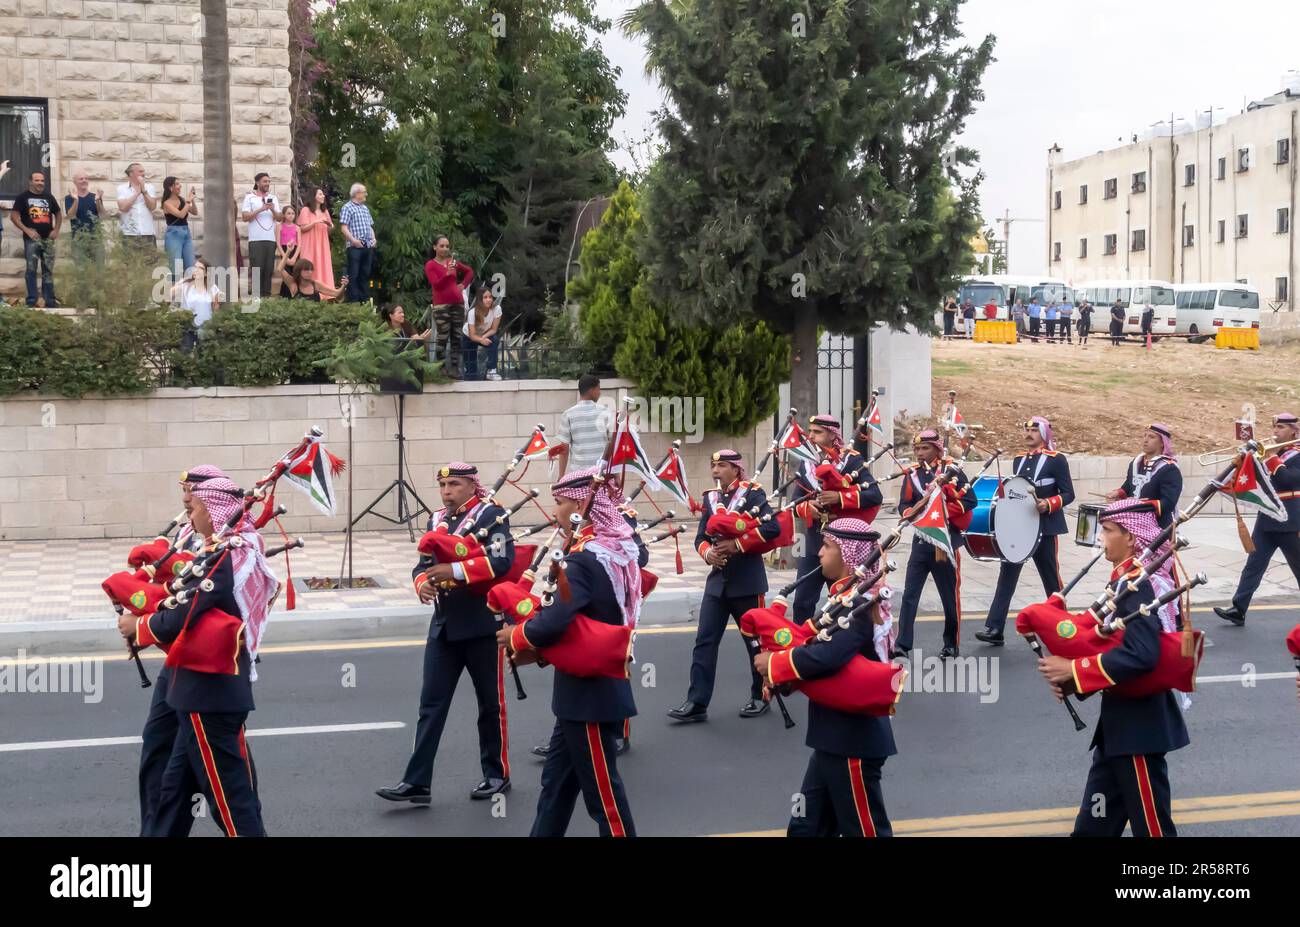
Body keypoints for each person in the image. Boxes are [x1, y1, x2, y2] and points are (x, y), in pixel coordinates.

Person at [117, 466, 277, 837]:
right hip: (194, 690)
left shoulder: (225, 556)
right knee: (174, 787)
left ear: (212, 508)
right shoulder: (219, 551)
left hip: (211, 694)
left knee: (231, 799)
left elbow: (182, 612)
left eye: (194, 506)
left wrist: (138, 627)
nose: (188, 512)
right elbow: (179, 596)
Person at [500, 467, 641, 836]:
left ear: (581, 503)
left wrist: (517, 636)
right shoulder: (607, 550)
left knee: (604, 799)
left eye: (560, 502)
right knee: (556, 788)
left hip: (590, 696)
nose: (555, 511)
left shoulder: (582, 559)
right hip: (580, 696)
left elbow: (558, 619)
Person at [1036, 499, 1189, 837]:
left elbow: (1142, 655)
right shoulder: (1124, 582)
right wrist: (1072, 680)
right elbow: (1110, 648)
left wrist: (1074, 670)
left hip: (1138, 733)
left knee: (1153, 830)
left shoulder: (1139, 585)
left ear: (1132, 538)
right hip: (1117, 734)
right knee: (1092, 829)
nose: (1101, 537)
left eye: (1107, 530)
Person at [377, 463, 515, 806]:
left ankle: (496, 774)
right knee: (431, 706)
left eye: (454, 484)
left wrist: (453, 569)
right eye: (442, 485)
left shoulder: (491, 516)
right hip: (443, 625)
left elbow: (501, 562)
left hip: (483, 625)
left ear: (471, 485)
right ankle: (417, 781)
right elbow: (422, 564)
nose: (446, 491)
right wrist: (422, 582)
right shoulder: (436, 519)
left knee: (489, 705)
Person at [755, 518, 897, 837]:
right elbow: (810, 643)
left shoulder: (861, 605)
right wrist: (782, 675)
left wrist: (776, 665)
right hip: (833, 739)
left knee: (864, 829)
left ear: (848, 555)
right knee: (806, 826)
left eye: (828, 546)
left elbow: (828, 656)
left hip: (853, 742)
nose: (818, 553)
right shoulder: (842, 598)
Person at [669, 450, 782, 722]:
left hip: (747, 582)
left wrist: (737, 544)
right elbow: (701, 537)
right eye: (713, 465)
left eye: (721, 465)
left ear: (736, 468)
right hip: (717, 582)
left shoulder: (754, 494)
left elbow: (772, 528)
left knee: (755, 643)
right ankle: (697, 702)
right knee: (704, 642)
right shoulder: (712, 497)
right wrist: (708, 553)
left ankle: (760, 695)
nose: (715, 470)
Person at [975, 417, 1075, 645]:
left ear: (1044, 434)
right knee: (1007, 574)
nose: (1029, 434)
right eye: (1027, 430)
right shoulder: (1019, 459)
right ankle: (994, 628)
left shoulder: (1057, 459)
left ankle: (1063, 626)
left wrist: (1048, 504)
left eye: (1034, 430)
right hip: (1019, 528)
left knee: (1050, 578)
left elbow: (1069, 493)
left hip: (1045, 527)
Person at [791, 414, 883, 625]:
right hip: (814, 543)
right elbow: (795, 503)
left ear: (833, 436)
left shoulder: (852, 460)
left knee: (844, 601)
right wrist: (808, 508)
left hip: (842, 547)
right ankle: (799, 650)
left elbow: (874, 495)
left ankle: (842, 646)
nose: (811, 437)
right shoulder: (807, 463)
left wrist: (839, 498)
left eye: (817, 432)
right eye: (810, 431)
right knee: (802, 602)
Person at [891, 429, 975, 659]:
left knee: (949, 598)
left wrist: (944, 511)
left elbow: (970, 500)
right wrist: (914, 514)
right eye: (917, 448)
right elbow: (904, 505)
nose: (919, 453)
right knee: (910, 596)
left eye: (925, 448)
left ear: (937, 449)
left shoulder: (952, 470)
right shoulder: (913, 475)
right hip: (921, 541)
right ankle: (902, 645)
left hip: (946, 542)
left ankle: (951, 643)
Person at [1214, 412, 1300, 627]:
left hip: (1291, 520)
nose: (1275, 432)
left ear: (1294, 431)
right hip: (1267, 519)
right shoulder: (1270, 455)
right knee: (1254, 564)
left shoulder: (1296, 455)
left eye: (1281, 428)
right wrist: (1246, 459)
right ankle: (1238, 609)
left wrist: (1270, 457)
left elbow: (1287, 479)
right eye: (1275, 427)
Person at [1107, 424, 1183, 528]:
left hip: (1158, 527)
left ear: (1162, 443)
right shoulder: (1136, 463)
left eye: (1151, 437)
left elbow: (1168, 503)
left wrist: (1141, 505)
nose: (1145, 440)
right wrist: (1117, 494)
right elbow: (1129, 487)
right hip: (1133, 522)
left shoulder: (1169, 469)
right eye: (1144, 436)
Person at [10, 170, 62, 308]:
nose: (40, 183)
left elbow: (58, 213)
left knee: (48, 270)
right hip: (31, 240)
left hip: (48, 240)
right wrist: (27, 230)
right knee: (31, 269)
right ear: (30, 181)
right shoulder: (23, 197)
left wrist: (56, 230)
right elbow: (14, 216)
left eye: (42, 181)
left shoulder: (49, 197)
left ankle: (50, 300)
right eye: (37, 180)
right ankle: (32, 300)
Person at [424, 235, 474, 374]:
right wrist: (447, 274)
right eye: (442, 246)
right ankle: (440, 367)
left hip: (457, 303)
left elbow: (469, 271)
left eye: (447, 246)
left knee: (457, 336)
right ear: (435, 247)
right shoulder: (430, 265)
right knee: (442, 336)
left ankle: (454, 367)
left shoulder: (452, 261)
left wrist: (463, 285)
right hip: (441, 305)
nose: (445, 249)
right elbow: (436, 284)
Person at [554, 374, 612, 475]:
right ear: (591, 391)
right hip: (602, 474)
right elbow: (612, 444)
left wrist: (561, 476)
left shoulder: (568, 414)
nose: (600, 393)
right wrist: (616, 475)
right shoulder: (606, 413)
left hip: (578, 476)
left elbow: (564, 449)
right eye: (598, 389)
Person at [63, 172, 104, 306]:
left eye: (86, 178)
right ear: (75, 182)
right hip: (79, 240)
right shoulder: (69, 198)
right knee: (81, 272)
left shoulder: (94, 197)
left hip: (96, 239)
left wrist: (98, 201)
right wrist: (75, 200)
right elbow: (70, 216)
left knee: (99, 271)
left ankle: (98, 302)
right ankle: (83, 303)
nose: (84, 180)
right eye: (81, 179)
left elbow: (103, 214)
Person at [240, 172, 282, 300]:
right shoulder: (249, 198)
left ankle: (267, 298)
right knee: (257, 269)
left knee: (269, 269)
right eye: (265, 181)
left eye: (269, 181)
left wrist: (272, 209)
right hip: (256, 240)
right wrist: (261, 209)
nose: (267, 184)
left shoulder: (273, 198)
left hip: (270, 239)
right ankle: (256, 298)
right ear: (257, 183)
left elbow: (280, 217)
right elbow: (245, 217)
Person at [339, 183, 377, 303]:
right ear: (357, 193)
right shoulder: (347, 207)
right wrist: (353, 241)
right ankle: (354, 302)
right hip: (355, 247)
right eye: (364, 192)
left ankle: (364, 302)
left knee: (365, 275)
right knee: (353, 275)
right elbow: (343, 227)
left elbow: (370, 226)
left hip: (367, 246)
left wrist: (374, 238)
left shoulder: (365, 208)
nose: (366, 194)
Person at [296, 186, 336, 291]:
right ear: (313, 196)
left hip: (322, 244)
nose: (323, 196)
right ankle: (308, 292)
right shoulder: (306, 210)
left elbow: (330, 230)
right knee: (309, 266)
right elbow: (302, 228)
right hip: (309, 244)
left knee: (323, 266)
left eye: (323, 194)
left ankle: (325, 293)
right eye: (320, 194)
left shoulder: (325, 211)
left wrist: (330, 226)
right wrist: (315, 222)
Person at [160, 176, 198, 284]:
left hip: (186, 233)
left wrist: (192, 200)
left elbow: (195, 212)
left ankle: (189, 296)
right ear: (170, 188)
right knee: (175, 267)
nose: (180, 186)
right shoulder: (166, 203)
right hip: (173, 234)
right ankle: (174, 298)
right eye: (177, 184)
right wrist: (188, 201)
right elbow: (181, 215)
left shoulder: (182, 200)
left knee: (190, 266)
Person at [170, 257, 223, 330]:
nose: (196, 270)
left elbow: (217, 307)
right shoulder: (185, 284)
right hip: (188, 327)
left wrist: (218, 301)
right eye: (195, 267)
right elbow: (168, 294)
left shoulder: (212, 287)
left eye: (200, 268)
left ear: (206, 274)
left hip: (206, 327)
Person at [115, 163, 157, 254]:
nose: (143, 174)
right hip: (129, 234)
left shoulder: (150, 187)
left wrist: (144, 191)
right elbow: (123, 207)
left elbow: (152, 206)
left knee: (150, 265)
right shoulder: (122, 188)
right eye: (140, 171)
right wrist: (137, 193)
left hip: (147, 233)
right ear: (131, 174)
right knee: (130, 265)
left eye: (143, 171)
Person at [462, 287, 503, 381]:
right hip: (468, 336)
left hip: (485, 334)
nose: (488, 300)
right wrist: (480, 340)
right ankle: (471, 378)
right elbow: (472, 335)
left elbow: (493, 329)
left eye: (490, 297)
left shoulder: (497, 309)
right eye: (485, 297)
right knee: (471, 366)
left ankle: (491, 371)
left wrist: (483, 338)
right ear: (480, 299)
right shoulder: (473, 312)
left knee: (494, 341)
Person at [277, 203, 300, 289]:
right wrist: (285, 257)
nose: (291, 215)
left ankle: (294, 292)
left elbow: (299, 244)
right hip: (284, 251)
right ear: (284, 215)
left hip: (294, 252)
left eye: (293, 213)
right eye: (288, 213)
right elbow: (278, 243)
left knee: (294, 273)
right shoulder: (279, 227)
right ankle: (285, 294)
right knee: (285, 273)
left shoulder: (297, 228)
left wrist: (294, 257)